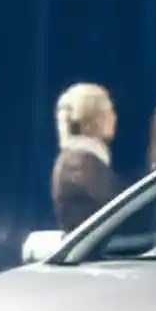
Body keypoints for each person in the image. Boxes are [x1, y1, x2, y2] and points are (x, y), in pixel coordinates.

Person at [51, 82, 120, 232]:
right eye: (110, 111)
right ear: (94, 119)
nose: (114, 117)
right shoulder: (80, 166)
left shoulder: (84, 161)